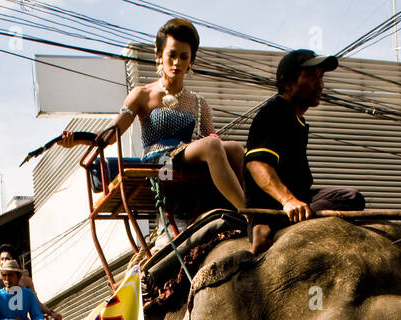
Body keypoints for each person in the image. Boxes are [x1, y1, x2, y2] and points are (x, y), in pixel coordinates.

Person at [60, 18, 246, 211]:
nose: (177, 63)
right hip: (160, 164)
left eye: (183, 57)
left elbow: (213, 139)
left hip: (185, 159)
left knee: (234, 148)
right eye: (171, 55)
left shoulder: (199, 103)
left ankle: (256, 205)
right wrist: (78, 139)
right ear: (159, 55)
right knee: (212, 145)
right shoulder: (142, 94)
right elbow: (111, 134)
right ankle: (247, 212)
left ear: (191, 60)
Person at [244, 49, 366, 254]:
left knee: (351, 198)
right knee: (349, 200)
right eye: (311, 76)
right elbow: (257, 163)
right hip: (273, 207)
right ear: (286, 83)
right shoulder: (275, 112)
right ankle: (270, 227)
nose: (320, 84)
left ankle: (290, 221)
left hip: (301, 199)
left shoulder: (296, 119)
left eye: (320, 77)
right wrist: (288, 201)